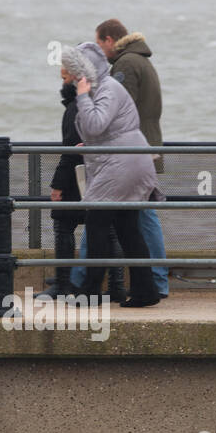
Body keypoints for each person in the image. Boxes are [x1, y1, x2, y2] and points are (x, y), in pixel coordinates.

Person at [70, 19, 169, 298]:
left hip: (123, 162)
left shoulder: (111, 82)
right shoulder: (133, 68)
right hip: (134, 155)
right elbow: (114, 124)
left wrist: (82, 96)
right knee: (129, 227)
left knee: (98, 223)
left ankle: (88, 291)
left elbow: (97, 123)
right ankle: (146, 290)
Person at [43, 61, 127, 302]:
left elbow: (71, 151)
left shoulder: (75, 109)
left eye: (64, 78)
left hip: (80, 176)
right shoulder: (103, 103)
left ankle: (63, 284)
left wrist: (57, 186)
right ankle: (117, 285)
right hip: (106, 173)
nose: (62, 84)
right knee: (110, 230)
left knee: (63, 223)